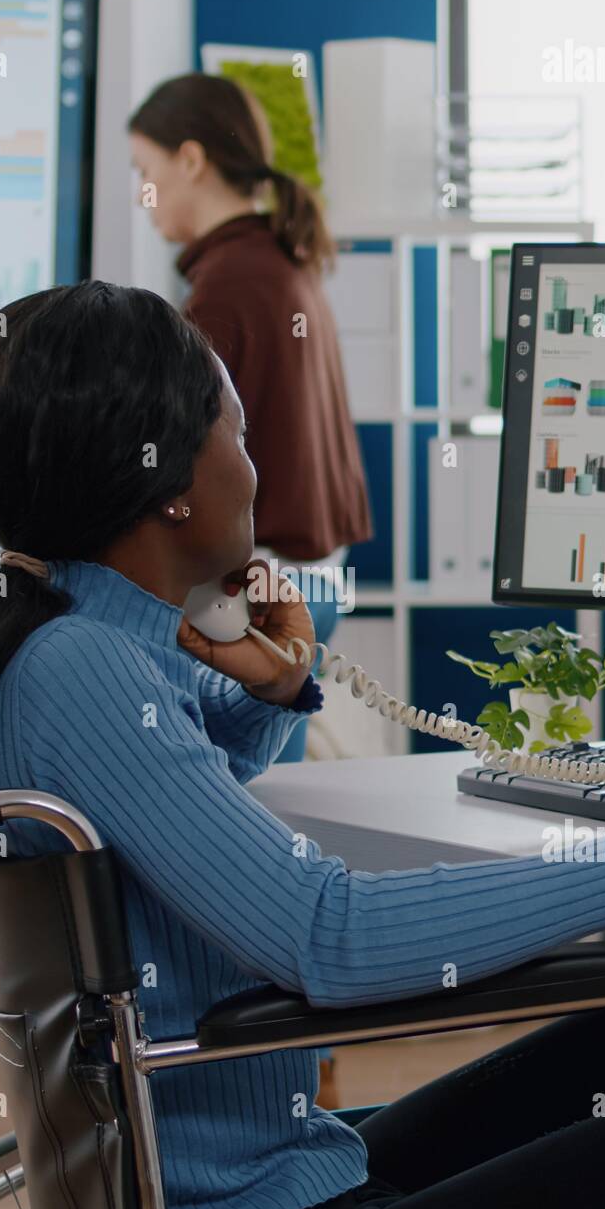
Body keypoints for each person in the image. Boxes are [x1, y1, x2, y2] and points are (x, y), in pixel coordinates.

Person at [0, 281, 605, 1209]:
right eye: (236, 436)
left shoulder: (59, 640)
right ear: (169, 487)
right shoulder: (78, 669)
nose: (255, 467)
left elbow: (176, 825)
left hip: (278, 1178)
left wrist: (274, 692)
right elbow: (327, 934)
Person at [128, 71, 372, 768]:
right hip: (309, 575)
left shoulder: (227, 287)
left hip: (257, 590)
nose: (142, 198)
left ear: (191, 160)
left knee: (241, 807)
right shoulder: (279, 262)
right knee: (274, 805)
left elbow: (178, 459)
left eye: (145, 173)